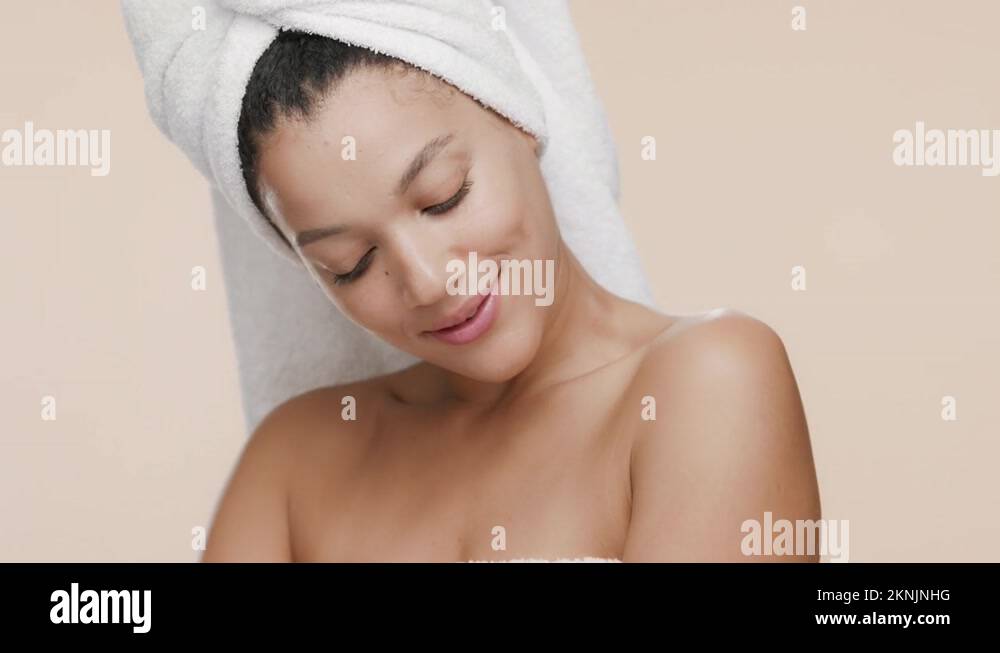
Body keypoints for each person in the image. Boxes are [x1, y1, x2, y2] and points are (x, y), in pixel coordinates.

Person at [201, 31, 821, 562]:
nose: (428, 282)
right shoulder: (294, 463)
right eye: (351, 265)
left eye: (444, 197)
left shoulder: (706, 381)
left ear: (516, 115)